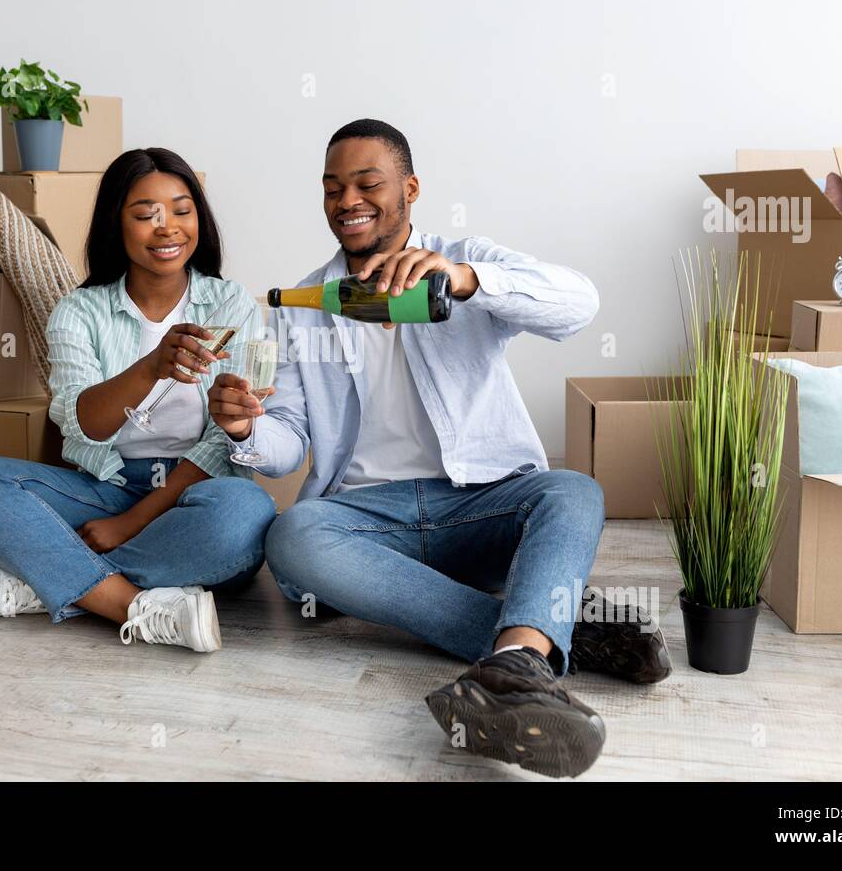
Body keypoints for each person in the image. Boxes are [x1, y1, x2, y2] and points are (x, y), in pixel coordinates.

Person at [208, 120, 670, 777]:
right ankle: (531, 643)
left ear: (410, 189)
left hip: (480, 504)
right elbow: (285, 449)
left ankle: (524, 645)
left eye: (367, 184)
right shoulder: (303, 306)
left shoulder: (461, 262)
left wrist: (467, 279)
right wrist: (245, 430)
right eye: (332, 188)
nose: (347, 201)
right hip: (369, 518)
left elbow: (579, 304)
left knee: (573, 490)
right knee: (292, 538)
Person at [0, 148, 275, 653]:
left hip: (191, 497)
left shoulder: (230, 302)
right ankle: (131, 605)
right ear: (115, 225)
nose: (167, 228)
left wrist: (129, 525)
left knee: (246, 514)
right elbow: (83, 427)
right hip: (106, 488)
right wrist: (149, 368)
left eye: (182, 211)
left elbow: (219, 444)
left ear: (200, 221)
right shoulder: (78, 311)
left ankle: (48, 581)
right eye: (146, 215)